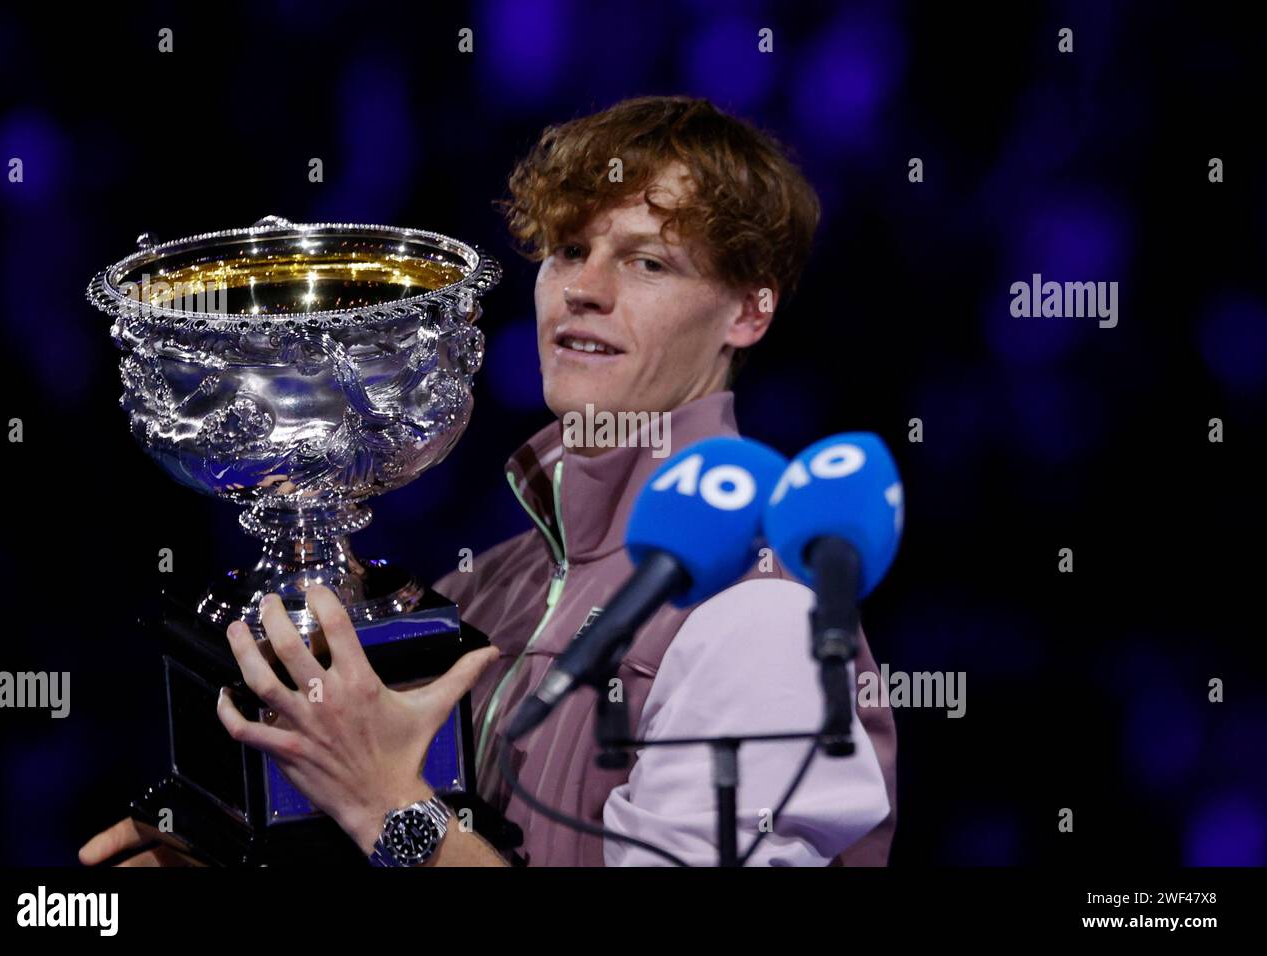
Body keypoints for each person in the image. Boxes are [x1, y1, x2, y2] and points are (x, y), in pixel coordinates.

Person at [80, 95, 897, 868]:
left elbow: (399, 819)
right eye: (570, 251)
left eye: (648, 261)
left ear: (749, 312)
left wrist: (387, 809)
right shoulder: (490, 583)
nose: (585, 289)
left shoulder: (762, 615)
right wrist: (226, 848)